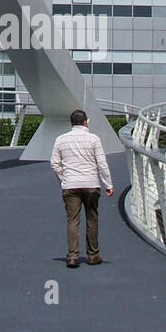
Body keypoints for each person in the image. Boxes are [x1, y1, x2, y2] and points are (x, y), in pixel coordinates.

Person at [50, 109, 114, 268]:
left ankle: (72, 256)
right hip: (91, 184)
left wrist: (63, 178)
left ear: (71, 123)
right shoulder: (94, 139)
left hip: (71, 185)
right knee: (92, 218)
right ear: (85, 122)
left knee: (72, 221)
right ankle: (93, 255)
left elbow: (54, 163)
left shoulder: (61, 140)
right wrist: (109, 184)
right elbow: (102, 164)